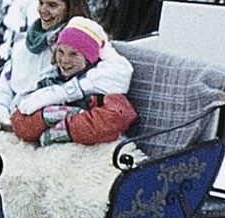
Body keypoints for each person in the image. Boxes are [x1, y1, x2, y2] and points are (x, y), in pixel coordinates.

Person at [0, 0, 130, 129]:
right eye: (41, 2)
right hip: (13, 124)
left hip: (50, 126)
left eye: (52, 5)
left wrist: (64, 92)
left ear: (69, 7)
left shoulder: (84, 37)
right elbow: (4, 88)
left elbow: (121, 72)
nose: (43, 11)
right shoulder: (25, 43)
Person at [9, 17, 137, 146]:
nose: (64, 60)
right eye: (61, 51)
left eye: (73, 54)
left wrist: (68, 129)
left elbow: (120, 116)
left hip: (87, 151)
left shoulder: (102, 83)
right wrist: (45, 117)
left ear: (89, 58)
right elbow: (19, 118)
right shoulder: (51, 79)